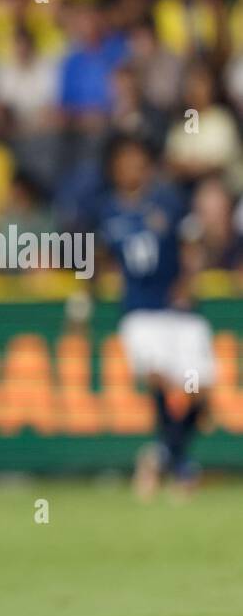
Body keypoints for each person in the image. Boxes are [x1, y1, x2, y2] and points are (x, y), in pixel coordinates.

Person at [96, 135, 213, 499]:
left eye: (136, 160)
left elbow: (193, 242)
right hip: (139, 311)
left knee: (200, 390)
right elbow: (99, 259)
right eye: (124, 161)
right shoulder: (108, 210)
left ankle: (163, 456)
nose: (130, 168)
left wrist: (188, 281)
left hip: (178, 312)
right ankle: (176, 462)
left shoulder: (168, 201)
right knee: (159, 378)